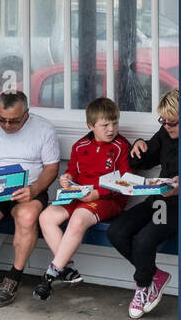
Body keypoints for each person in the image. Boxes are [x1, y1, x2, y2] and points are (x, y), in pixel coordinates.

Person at [0, 90, 60, 307]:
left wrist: (34, 190)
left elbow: (52, 168)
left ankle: (14, 277)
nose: (6, 125)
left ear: (26, 114)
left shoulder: (43, 129)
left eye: (13, 121)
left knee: (27, 216)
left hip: (28, 190)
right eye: (2, 119)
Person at [34, 97, 132, 302]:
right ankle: (67, 270)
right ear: (91, 126)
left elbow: (126, 181)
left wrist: (99, 193)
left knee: (78, 218)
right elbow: (73, 172)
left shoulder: (121, 147)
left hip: (107, 200)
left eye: (115, 123)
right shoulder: (80, 146)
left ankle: (50, 275)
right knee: (46, 217)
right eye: (104, 125)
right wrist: (67, 179)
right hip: (79, 196)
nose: (111, 129)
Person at [109, 89, 180, 319]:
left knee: (143, 239)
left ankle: (141, 285)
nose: (167, 127)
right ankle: (155, 276)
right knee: (117, 231)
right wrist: (138, 146)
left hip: (180, 206)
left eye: (172, 123)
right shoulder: (166, 133)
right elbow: (147, 157)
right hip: (158, 198)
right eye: (164, 122)